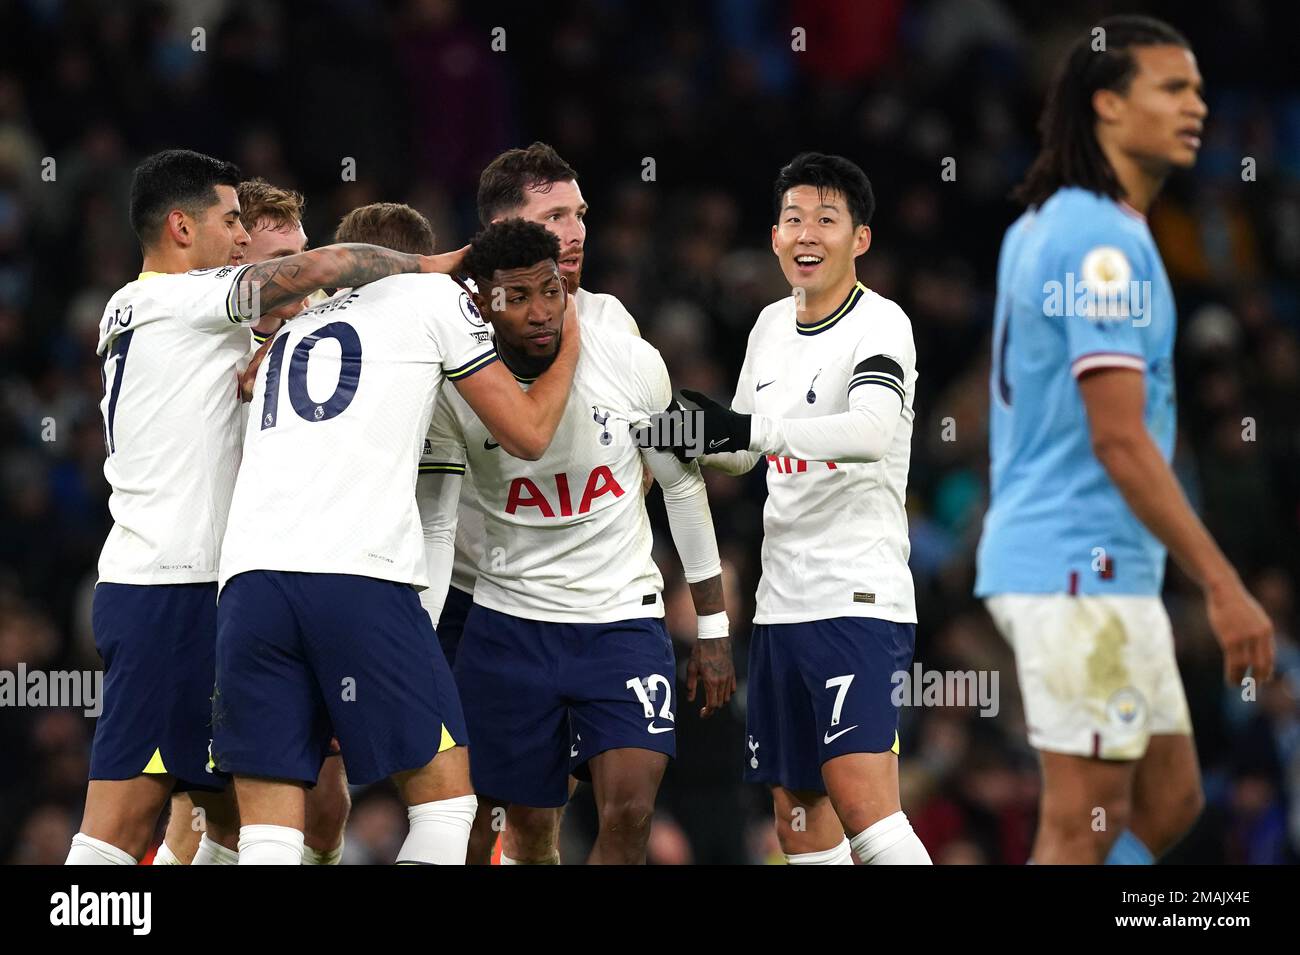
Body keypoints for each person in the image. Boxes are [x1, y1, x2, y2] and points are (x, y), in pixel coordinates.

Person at [67, 148, 464, 866]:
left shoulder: (146, 311)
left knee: (246, 818)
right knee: (121, 827)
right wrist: (430, 269)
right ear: (182, 229)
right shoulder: (180, 297)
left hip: (198, 585)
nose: (241, 240)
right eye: (230, 223)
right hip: (173, 589)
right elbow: (308, 276)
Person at [974, 15, 1275, 864]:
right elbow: (1119, 438)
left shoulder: (1050, 222)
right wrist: (1222, 584)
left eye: (1201, 90)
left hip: (1096, 564)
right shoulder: (1099, 241)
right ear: (1107, 104)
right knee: (1083, 821)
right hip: (1076, 564)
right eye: (1173, 88)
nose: (1198, 106)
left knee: (1170, 796)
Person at [211, 206, 583, 865]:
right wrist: (571, 340)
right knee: (445, 804)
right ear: (421, 257)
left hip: (248, 586)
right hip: (357, 575)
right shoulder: (431, 295)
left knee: (268, 831)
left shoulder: (293, 330)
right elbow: (527, 433)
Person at [420, 217, 735, 865]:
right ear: (483, 302)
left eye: (550, 291)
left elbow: (681, 486)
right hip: (510, 626)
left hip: (621, 620)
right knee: (515, 824)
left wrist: (713, 625)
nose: (540, 311)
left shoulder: (630, 362)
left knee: (629, 813)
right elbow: (437, 520)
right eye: (518, 296)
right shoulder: (454, 390)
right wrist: (420, 634)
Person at [650, 152, 932, 865]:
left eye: (827, 219)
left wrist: (750, 431)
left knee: (867, 808)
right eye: (794, 218)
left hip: (856, 596)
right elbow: (743, 450)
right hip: (782, 604)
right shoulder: (771, 325)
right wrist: (687, 431)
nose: (807, 233)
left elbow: (869, 432)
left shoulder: (882, 324)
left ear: (859, 239)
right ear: (774, 236)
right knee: (798, 819)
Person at [425, 142, 643, 863]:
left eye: (580, 213)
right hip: (461, 597)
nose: (576, 231)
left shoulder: (612, 323)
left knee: (536, 822)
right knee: (462, 810)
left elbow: (651, 459)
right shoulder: (443, 328)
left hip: (568, 606)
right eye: (554, 215)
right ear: (499, 233)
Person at [155, 178, 350, 867]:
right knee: (209, 811)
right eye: (279, 268)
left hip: (308, 586)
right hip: (209, 591)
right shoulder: (195, 348)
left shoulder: (337, 343)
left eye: (302, 258)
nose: (298, 282)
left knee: (324, 811)